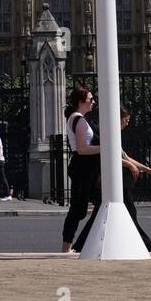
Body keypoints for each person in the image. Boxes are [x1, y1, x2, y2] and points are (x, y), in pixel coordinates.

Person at [73, 108, 151, 253]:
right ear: (117, 119)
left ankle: (79, 246)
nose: (127, 124)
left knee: (98, 216)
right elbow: (112, 156)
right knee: (130, 213)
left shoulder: (113, 135)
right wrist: (129, 165)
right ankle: (149, 247)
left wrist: (148, 170)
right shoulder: (107, 134)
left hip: (116, 181)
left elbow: (124, 156)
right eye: (125, 120)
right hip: (112, 181)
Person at [61, 86, 101, 253]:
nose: (93, 102)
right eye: (91, 100)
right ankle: (68, 247)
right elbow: (82, 149)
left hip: (86, 168)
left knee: (93, 204)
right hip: (84, 168)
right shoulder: (79, 120)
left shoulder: (76, 118)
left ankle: (76, 244)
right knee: (78, 208)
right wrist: (104, 147)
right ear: (81, 102)